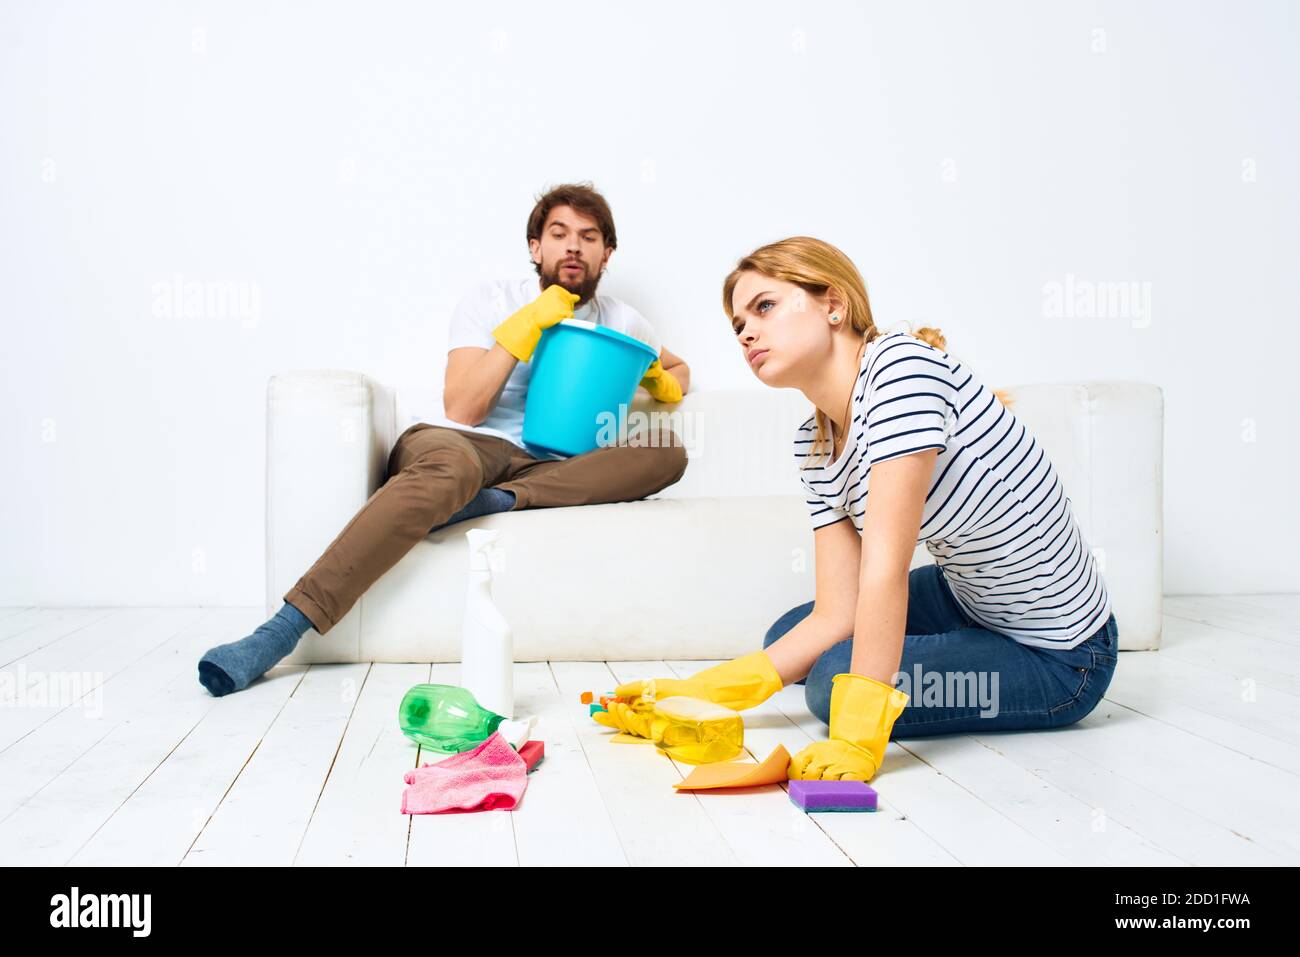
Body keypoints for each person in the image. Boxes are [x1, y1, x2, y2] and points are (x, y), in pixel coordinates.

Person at [602, 236, 1117, 783]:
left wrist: (858, 734)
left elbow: (885, 569)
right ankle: (931, 654)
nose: (746, 331)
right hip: (969, 602)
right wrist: (704, 690)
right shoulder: (815, 442)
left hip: (1058, 656)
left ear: (833, 305)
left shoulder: (900, 373)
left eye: (765, 306)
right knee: (792, 633)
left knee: (829, 682)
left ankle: (919, 675)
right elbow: (836, 611)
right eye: (737, 324)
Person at [198, 183, 690, 697]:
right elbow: (463, 406)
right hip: (458, 443)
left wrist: (658, 376)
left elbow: (679, 369)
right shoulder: (491, 300)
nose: (573, 246)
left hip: (543, 467)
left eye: (589, 237)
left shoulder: (620, 320)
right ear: (535, 247)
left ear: (606, 253)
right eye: (559, 233)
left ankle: (489, 502)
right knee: (452, 469)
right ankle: (278, 632)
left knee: (668, 451)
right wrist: (522, 329)